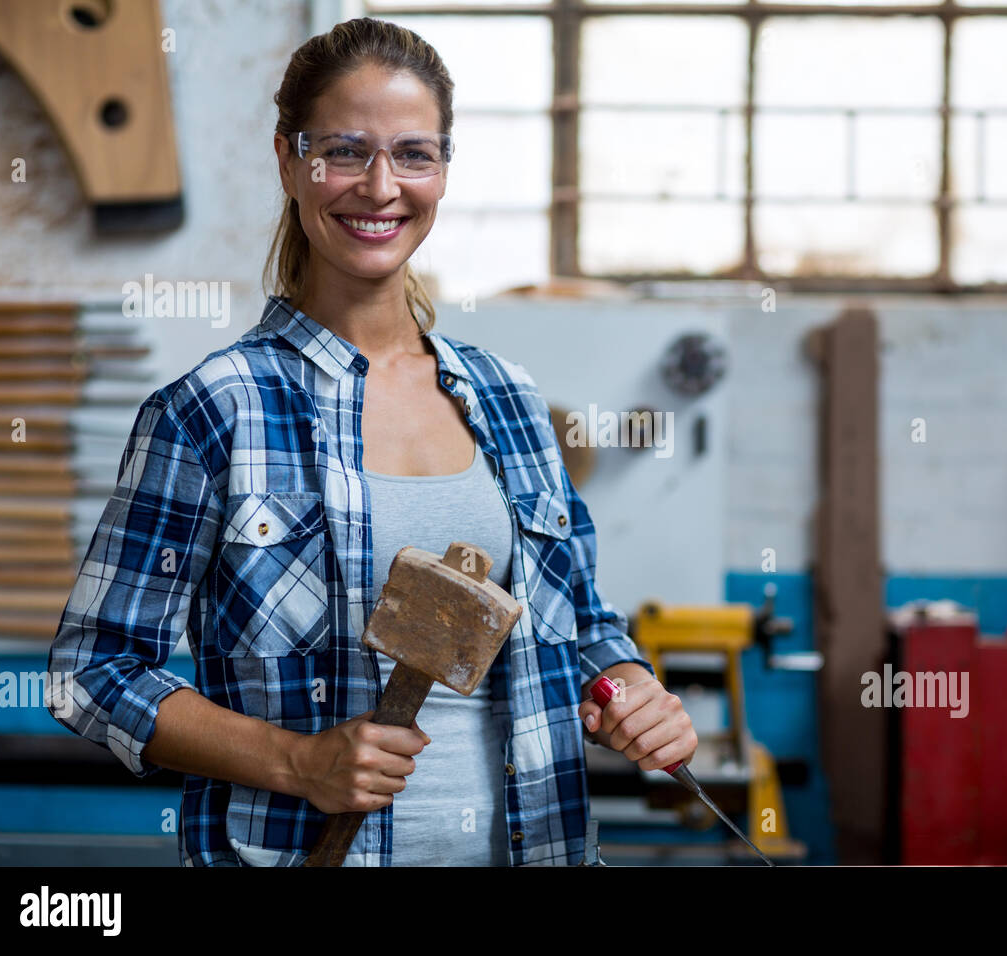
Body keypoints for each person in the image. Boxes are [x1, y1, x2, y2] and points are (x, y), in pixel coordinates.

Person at [46, 17, 696, 867]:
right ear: (290, 160)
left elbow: (575, 625)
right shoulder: (217, 407)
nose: (380, 187)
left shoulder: (508, 399)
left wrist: (631, 689)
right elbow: (93, 672)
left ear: (443, 170)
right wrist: (298, 761)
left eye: (414, 154)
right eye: (345, 152)